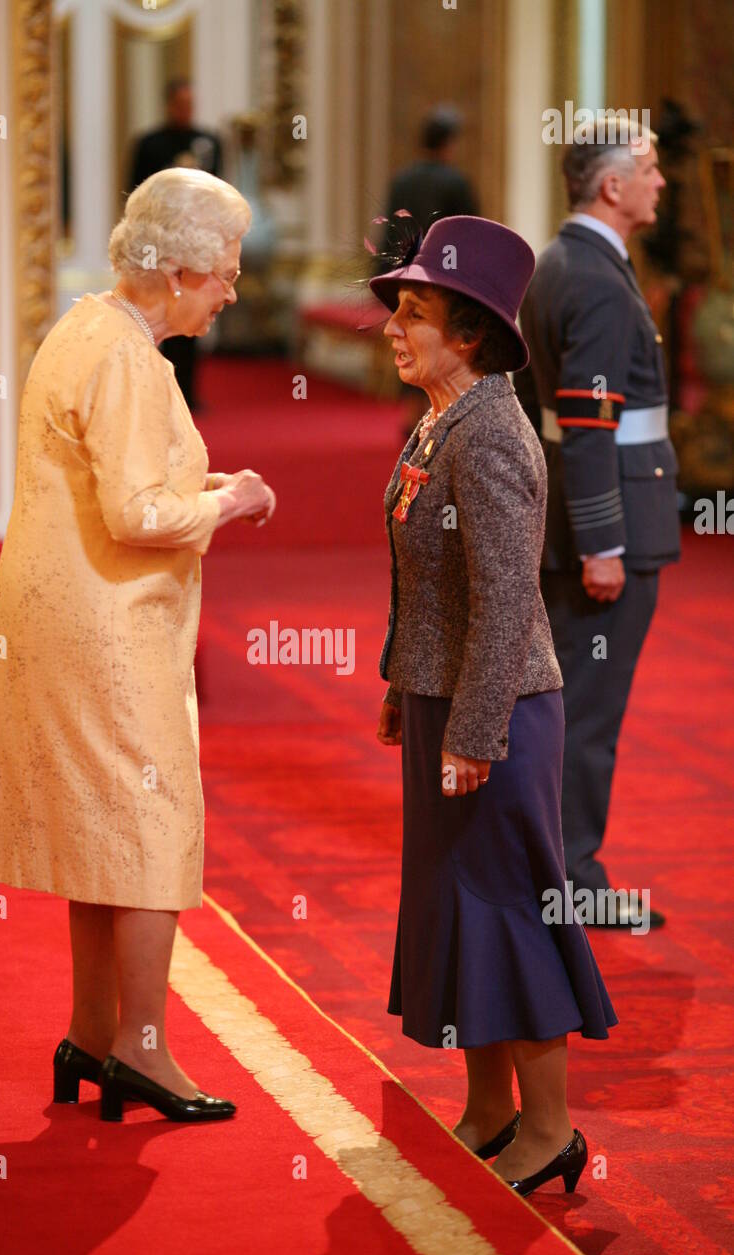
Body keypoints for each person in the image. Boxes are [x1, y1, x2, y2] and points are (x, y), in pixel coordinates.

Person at [0, 167, 275, 1124]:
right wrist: (232, 500)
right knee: (149, 826)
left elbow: (122, 475)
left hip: (63, 615)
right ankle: (142, 1049)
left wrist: (205, 479)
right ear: (177, 270)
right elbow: (141, 510)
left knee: (101, 825)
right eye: (224, 270)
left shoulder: (88, 327)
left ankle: (92, 1035)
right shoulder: (132, 359)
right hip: (109, 629)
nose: (232, 289)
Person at [369, 215, 617, 1196]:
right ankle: (485, 1107)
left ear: (467, 332)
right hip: (446, 700)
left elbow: (509, 597)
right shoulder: (440, 417)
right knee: (456, 907)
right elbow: (428, 581)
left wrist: (473, 727)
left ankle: (549, 1129)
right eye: (396, 304)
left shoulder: (493, 434)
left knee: (507, 910)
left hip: (499, 716)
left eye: (414, 309)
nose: (391, 323)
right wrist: (403, 682)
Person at [513, 117, 680, 930]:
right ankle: (570, 878)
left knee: (569, 705)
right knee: (587, 716)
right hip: (605, 530)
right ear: (612, 186)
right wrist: (605, 544)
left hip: (577, 522)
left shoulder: (561, 264)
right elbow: (588, 425)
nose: (661, 182)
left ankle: (554, 867)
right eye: (649, 170)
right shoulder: (600, 281)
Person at [379, 106, 479, 440]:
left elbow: (391, 230)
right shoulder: (456, 182)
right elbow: (468, 234)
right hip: (443, 279)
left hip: (405, 274)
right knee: (438, 342)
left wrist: (384, 273)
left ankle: (412, 417)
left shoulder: (403, 179)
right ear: (449, 142)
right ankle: (434, 416)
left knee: (408, 338)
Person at [128, 78, 224, 411]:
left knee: (194, 318)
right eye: (180, 103)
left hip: (198, 247)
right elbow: (137, 196)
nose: (185, 110)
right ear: (169, 104)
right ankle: (160, 392)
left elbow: (219, 195)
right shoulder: (149, 144)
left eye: (190, 104)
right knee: (162, 319)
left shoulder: (209, 141)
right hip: (162, 246)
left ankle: (188, 393)